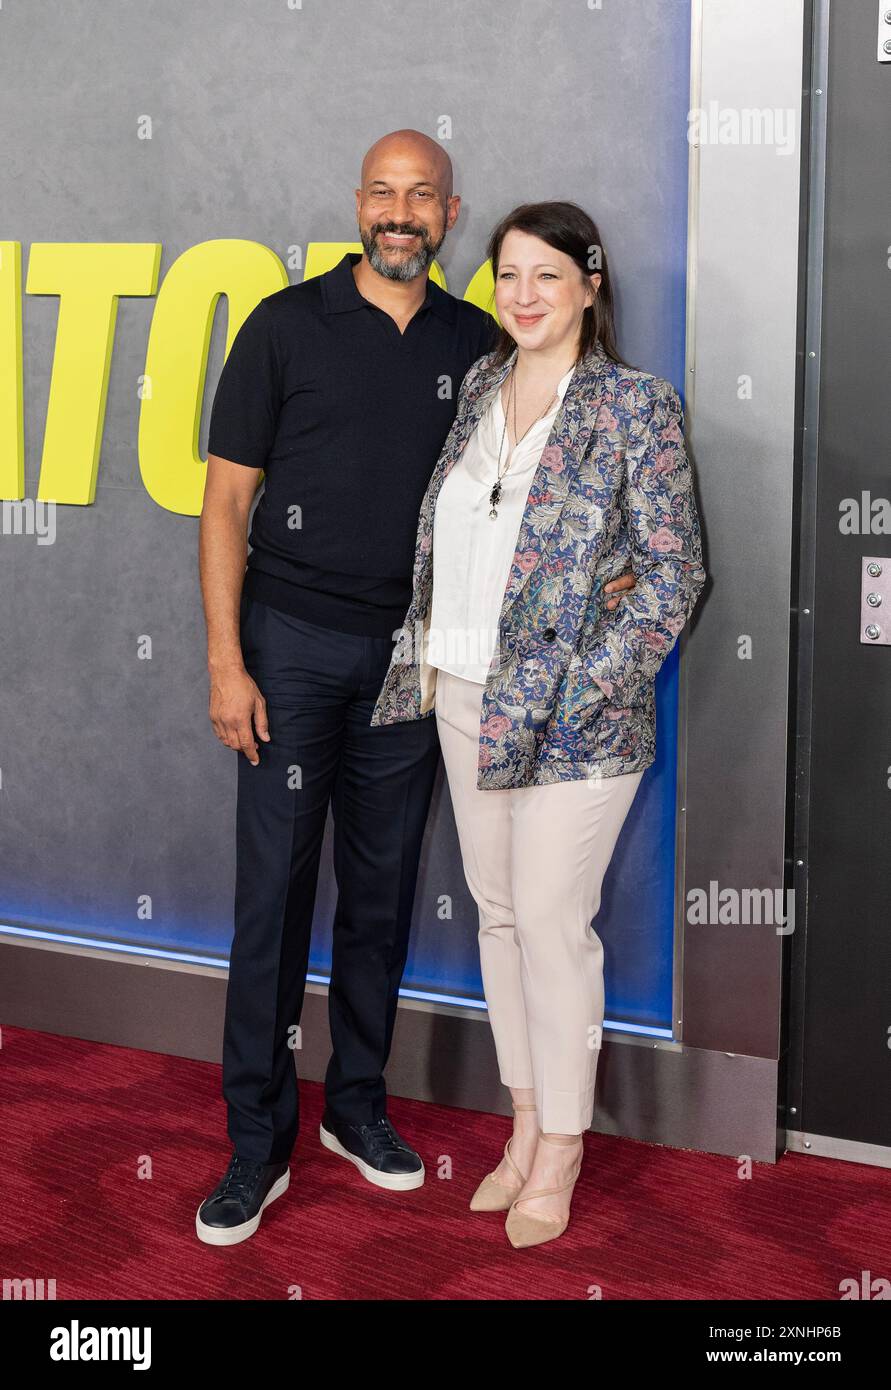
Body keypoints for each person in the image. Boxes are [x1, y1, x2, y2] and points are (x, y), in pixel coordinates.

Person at [195, 132, 638, 1245]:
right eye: (385, 195)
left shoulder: (482, 345)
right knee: (272, 900)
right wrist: (224, 660)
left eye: (423, 198)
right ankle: (256, 1144)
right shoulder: (282, 326)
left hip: (415, 663)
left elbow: (546, 488)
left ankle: (356, 1107)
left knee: (382, 898)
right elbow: (223, 508)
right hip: (288, 649)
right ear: (359, 205)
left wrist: (612, 565)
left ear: (450, 215)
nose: (402, 213)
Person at [371, 200, 706, 1249]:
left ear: (590, 284)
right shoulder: (479, 386)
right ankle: (522, 1130)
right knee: (502, 917)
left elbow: (673, 574)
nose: (522, 295)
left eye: (547, 275)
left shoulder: (635, 408)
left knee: (556, 928)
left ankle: (561, 1149)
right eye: (507, 275)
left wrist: (587, 684)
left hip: (577, 727)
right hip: (464, 696)